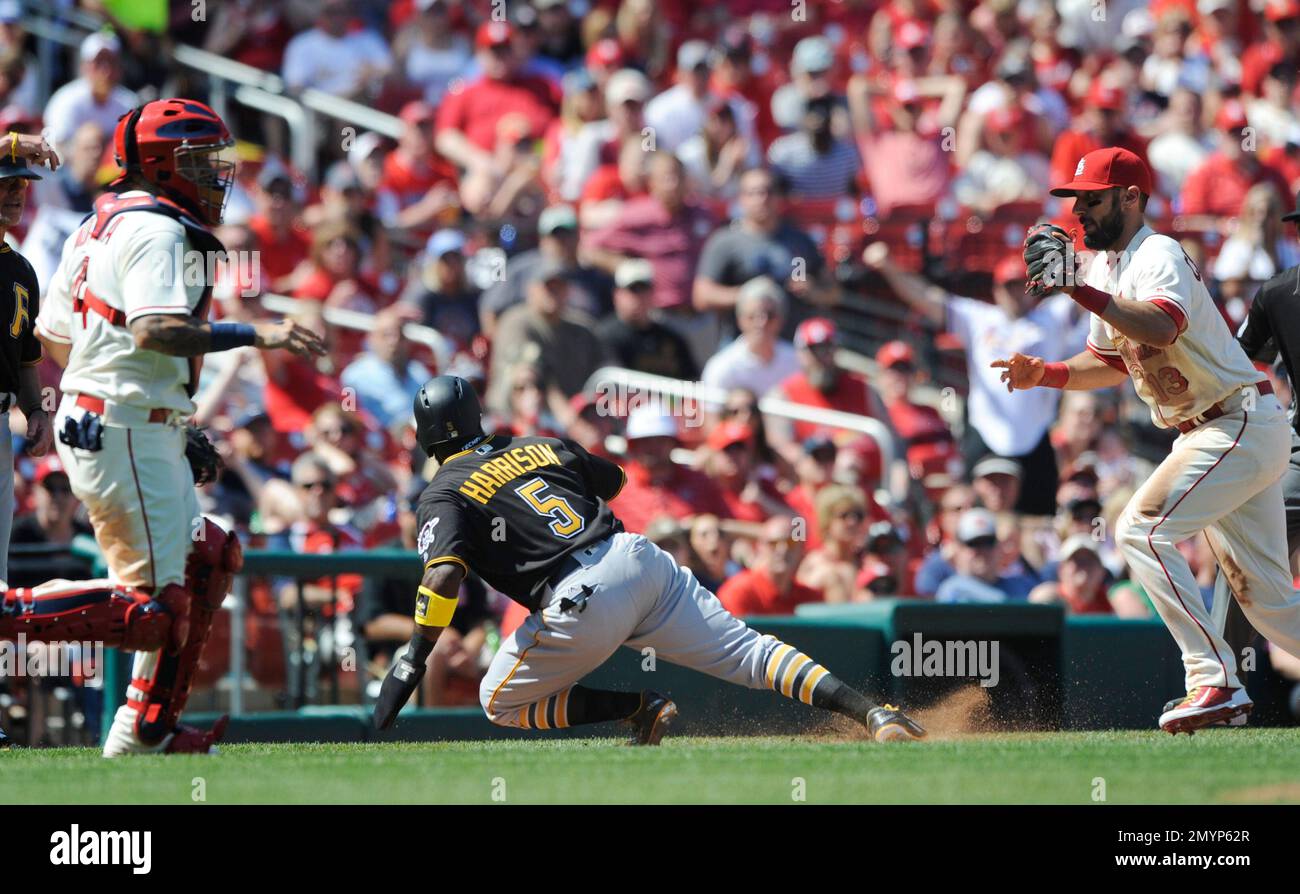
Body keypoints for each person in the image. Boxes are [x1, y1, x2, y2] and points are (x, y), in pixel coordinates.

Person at [372, 376, 924, 744]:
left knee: (497, 700)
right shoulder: (537, 443)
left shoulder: (443, 488)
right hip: (637, 556)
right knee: (750, 653)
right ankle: (874, 713)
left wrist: (414, 656)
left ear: (427, 438)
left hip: (579, 591)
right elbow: (612, 481)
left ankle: (638, 706)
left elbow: (443, 574)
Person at [28, 99, 325, 756]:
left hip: (123, 418)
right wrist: (257, 332)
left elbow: (55, 339)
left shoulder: (97, 224)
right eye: (199, 162)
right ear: (162, 165)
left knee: (205, 558)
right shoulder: (159, 229)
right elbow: (154, 328)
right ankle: (11, 616)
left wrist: (157, 404)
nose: (215, 175)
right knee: (151, 608)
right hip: (121, 424)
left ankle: (147, 731)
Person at [996, 146, 1300, 733]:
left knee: (1141, 528)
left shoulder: (1157, 253)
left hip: (1231, 422)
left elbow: (1161, 326)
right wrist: (1048, 373)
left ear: (1131, 198)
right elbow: (1106, 359)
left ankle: (1212, 682)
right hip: (1222, 427)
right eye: (1076, 199)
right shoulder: (1106, 269)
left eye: (1092, 198)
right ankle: (1219, 684)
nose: (1080, 210)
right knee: (1269, 604)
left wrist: (1078, 293)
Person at [864, 244, 1083, 516]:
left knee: (1037, 521)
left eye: (1020, 286)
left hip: (1036, 436)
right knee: (975, 517)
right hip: (984, 433)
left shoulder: (1051, 317)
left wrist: (1087, 260)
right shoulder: (979, 318)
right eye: (1008, 286)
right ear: (996, 291)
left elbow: (1087, 292)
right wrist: (889, 267)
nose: (1015, 294)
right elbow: (926, 298)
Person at [0, 140, 56, 588]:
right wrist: (15, 143)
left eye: (21, 184)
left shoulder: (22, 270)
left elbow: (26, 360)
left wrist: (35, 410)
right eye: (5, 184)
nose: (15, 193)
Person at [595, 259, 697, 381]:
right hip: (626, 399)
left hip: (669, 400)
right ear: (617, 295)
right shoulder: (604, 336)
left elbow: (693, 381)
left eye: (644, 289)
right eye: (633, 290)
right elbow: (611, 387)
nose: (639, 297)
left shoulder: (672, 338)